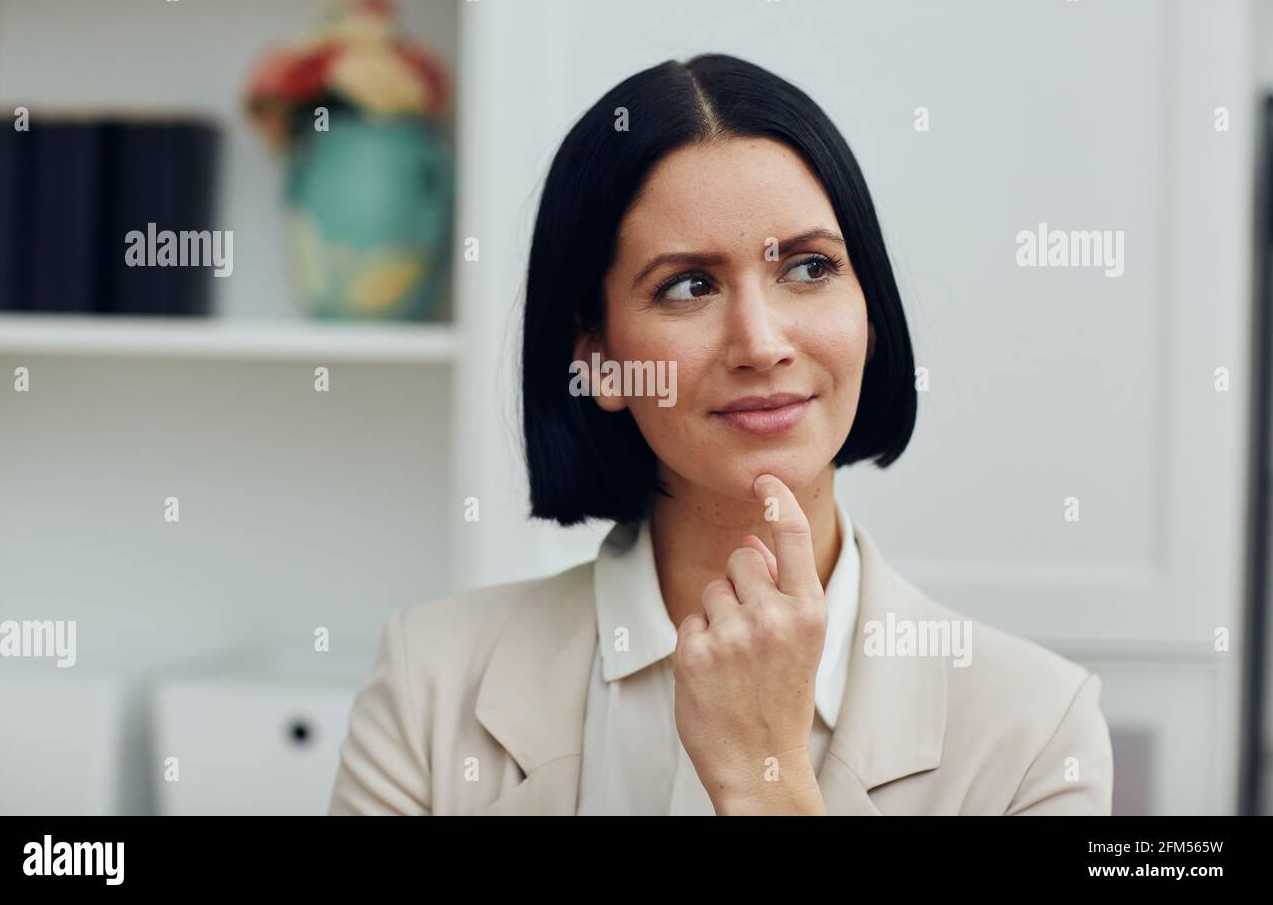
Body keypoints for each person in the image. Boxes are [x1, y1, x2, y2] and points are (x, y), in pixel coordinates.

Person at [328, 53, 1114, 815]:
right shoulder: (430, 683)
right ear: (597, 357)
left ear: (868, 313)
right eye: (689, 286)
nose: (761, 343)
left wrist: (763, 782)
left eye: (809, 268)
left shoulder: (1037, 730)